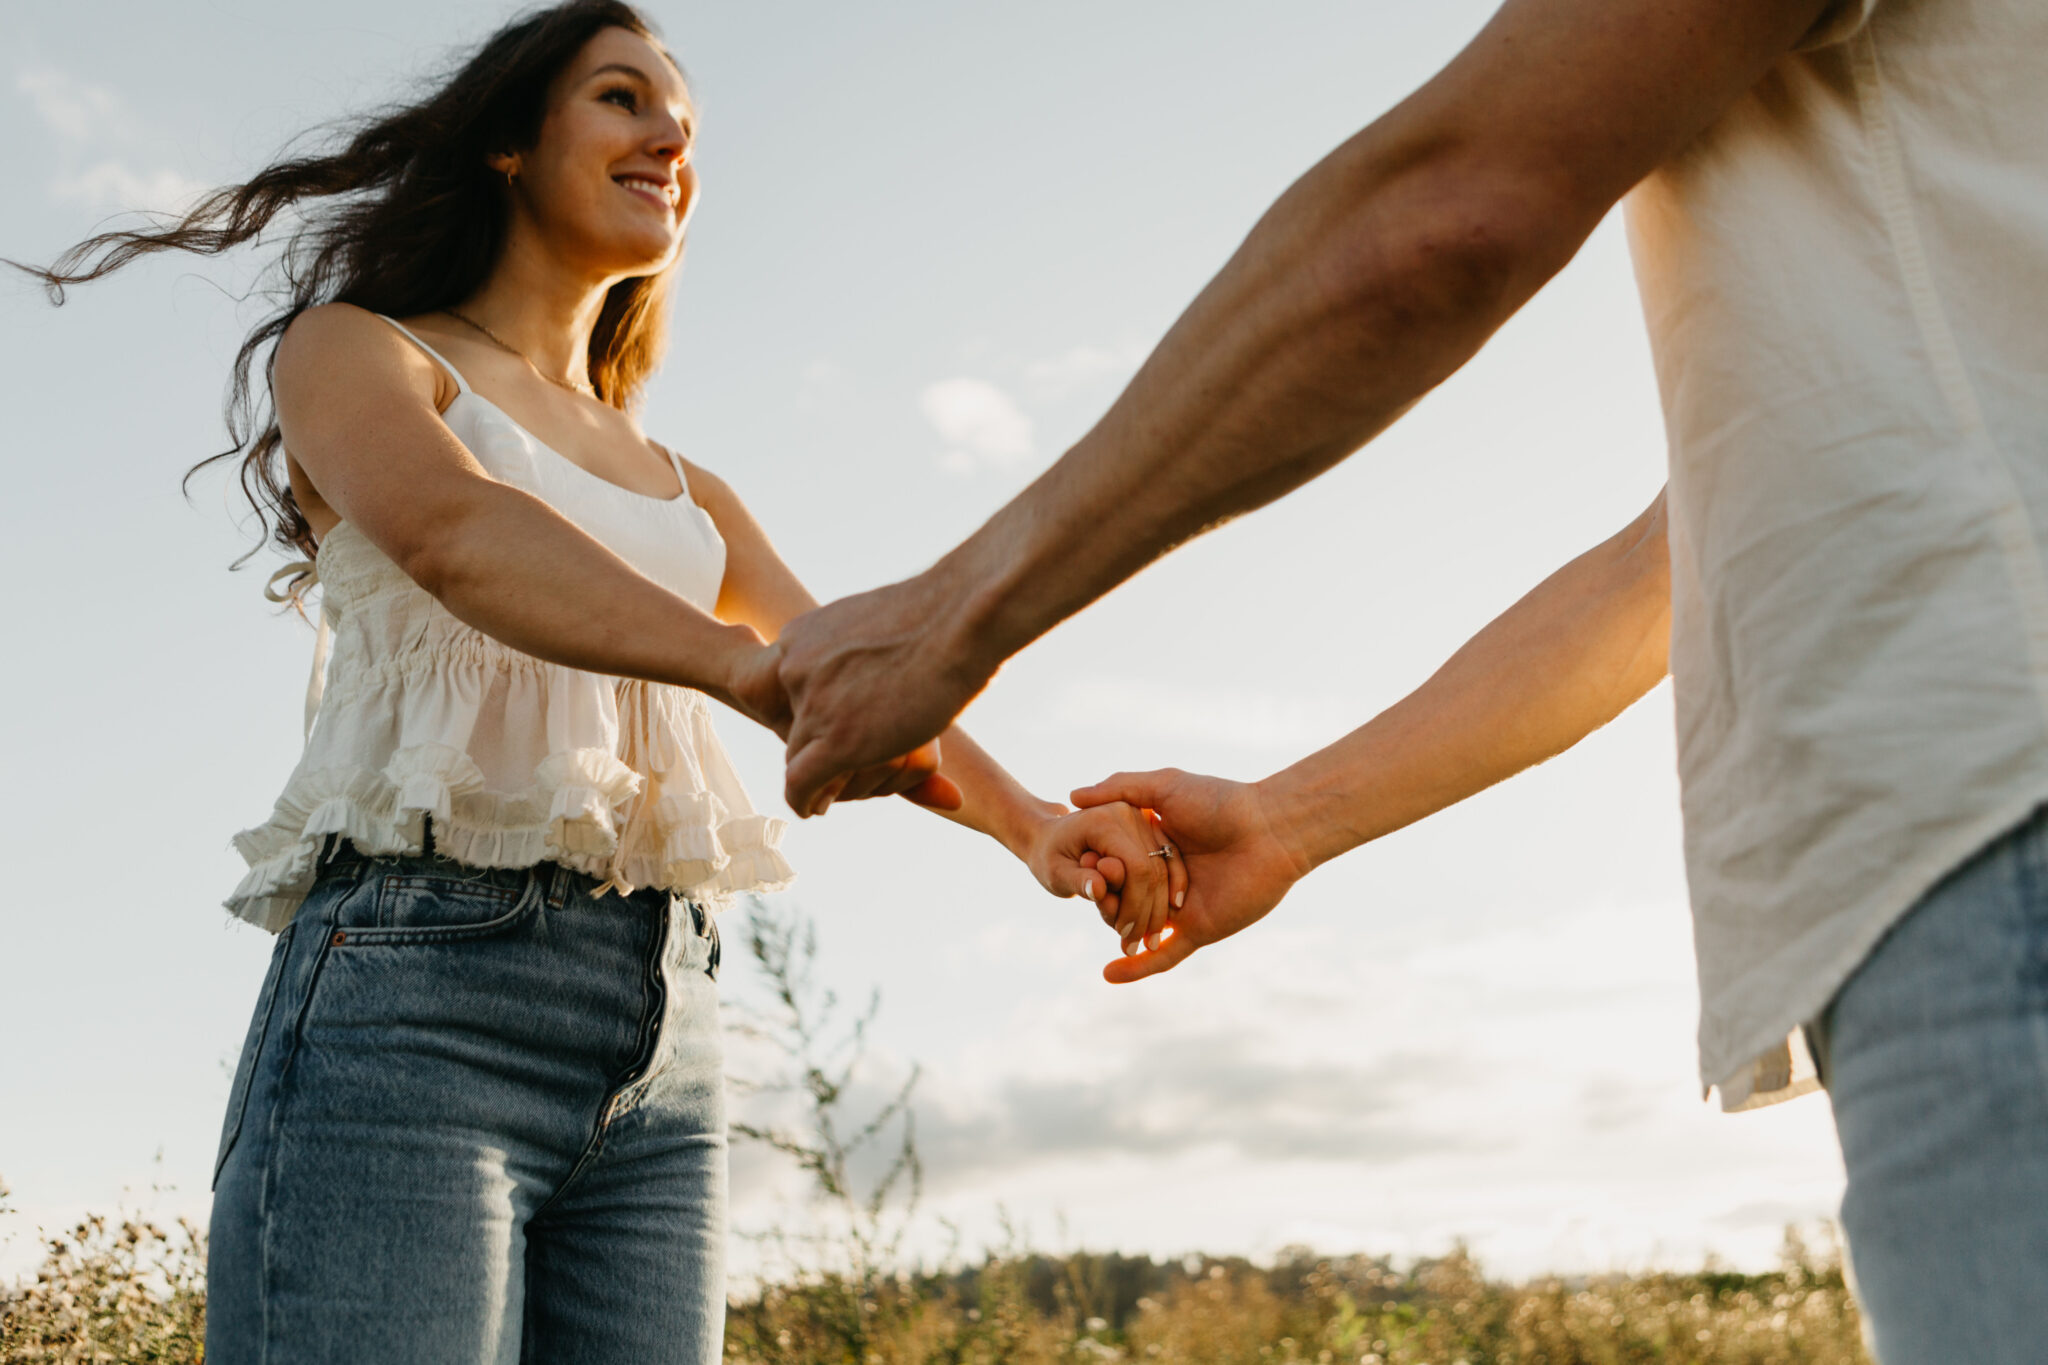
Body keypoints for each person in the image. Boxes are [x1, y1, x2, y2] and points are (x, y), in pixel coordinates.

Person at [770, 0, 2048, 1360]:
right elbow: (1676, 563)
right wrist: (1290, 819)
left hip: (1996, 822)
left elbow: (1448, 212)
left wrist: (953, 617)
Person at [17, 4, 1185, 1361]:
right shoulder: (360, 352)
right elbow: (459, 535)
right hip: (415, 997)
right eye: (623, 98)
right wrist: (739, 665)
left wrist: (1036, 827)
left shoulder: (688, 490)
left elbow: (852, 671)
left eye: (685, 122)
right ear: (510, 142)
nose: (670, 137)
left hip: (668, 1031)